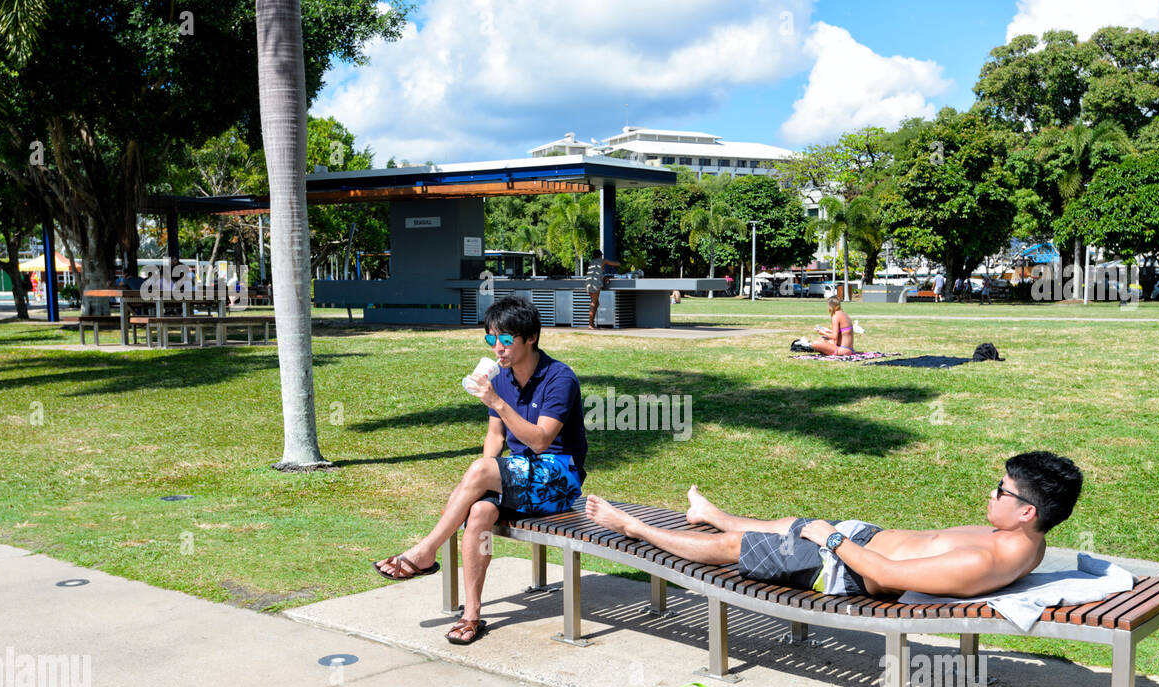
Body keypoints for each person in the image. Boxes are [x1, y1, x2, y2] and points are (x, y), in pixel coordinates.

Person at [373, 294, 588, 645]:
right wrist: (485, 479)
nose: (497, 348)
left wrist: (496, 405)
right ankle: (472, 615)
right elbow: (495, 437)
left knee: (480, 473)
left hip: (560, 478)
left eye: (506, 339)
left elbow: (540, 441)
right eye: (491, 338)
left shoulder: (559, 378)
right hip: (518, 476)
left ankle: (425, 552)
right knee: (478, 512)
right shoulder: (500, 378)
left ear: (531, 337)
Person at [585, 451, 1082, 601]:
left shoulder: (983, 559)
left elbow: (887, 575)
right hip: (860, 540)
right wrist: (836, 533)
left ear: (1027, 512)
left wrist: (833, 538)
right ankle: (710, 515)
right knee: (789, 522)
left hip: (841, 568)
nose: (991, 494)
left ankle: (633, 528)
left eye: (1001, 491)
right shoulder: (1029, 541)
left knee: (736, 547)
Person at [584, 249, 620, 329]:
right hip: (595, 283)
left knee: (596, 303)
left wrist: (604, 278)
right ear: (600, 255)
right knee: (593, 303)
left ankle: (592, 324)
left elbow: (597, 273)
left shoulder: (591, 262)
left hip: (588, 283)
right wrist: (621, 262)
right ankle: (590, 325)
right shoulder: (603, 261)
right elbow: (616, 264)